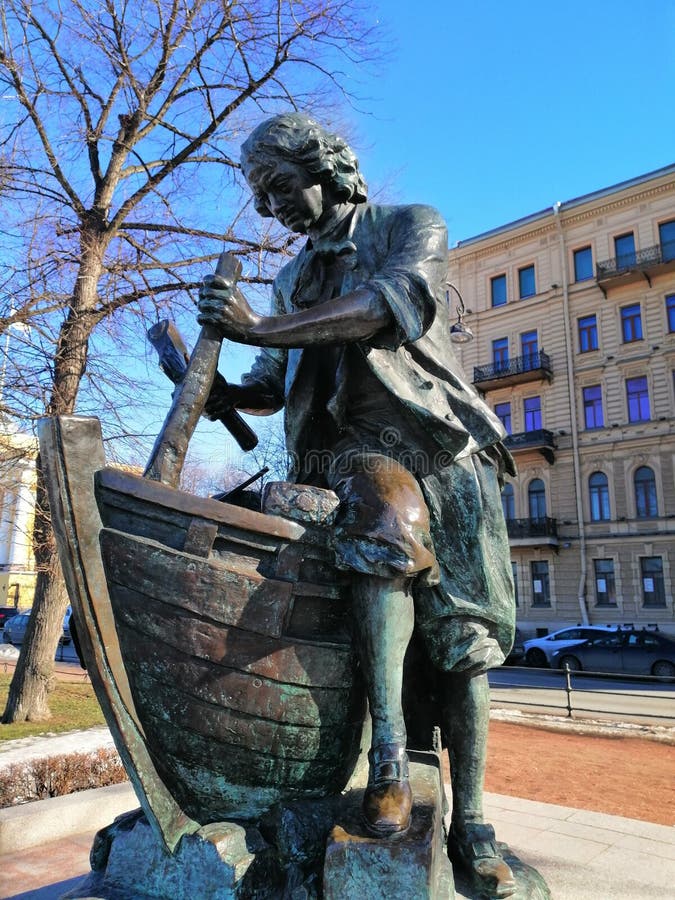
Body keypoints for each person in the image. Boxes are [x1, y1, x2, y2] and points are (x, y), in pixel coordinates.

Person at [198, 113, 517, 897]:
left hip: (443, 444)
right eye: (260, 197)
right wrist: (221, 390)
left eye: (278, 187)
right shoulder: (289, 279)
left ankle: (473, 820)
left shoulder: (410, 225)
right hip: (357, 447)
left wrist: (265, 326)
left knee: (464, 645)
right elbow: (274, 388)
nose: (271, 208)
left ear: (327, 168)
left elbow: (387, 305)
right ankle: (387, 762)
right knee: (385, 525)